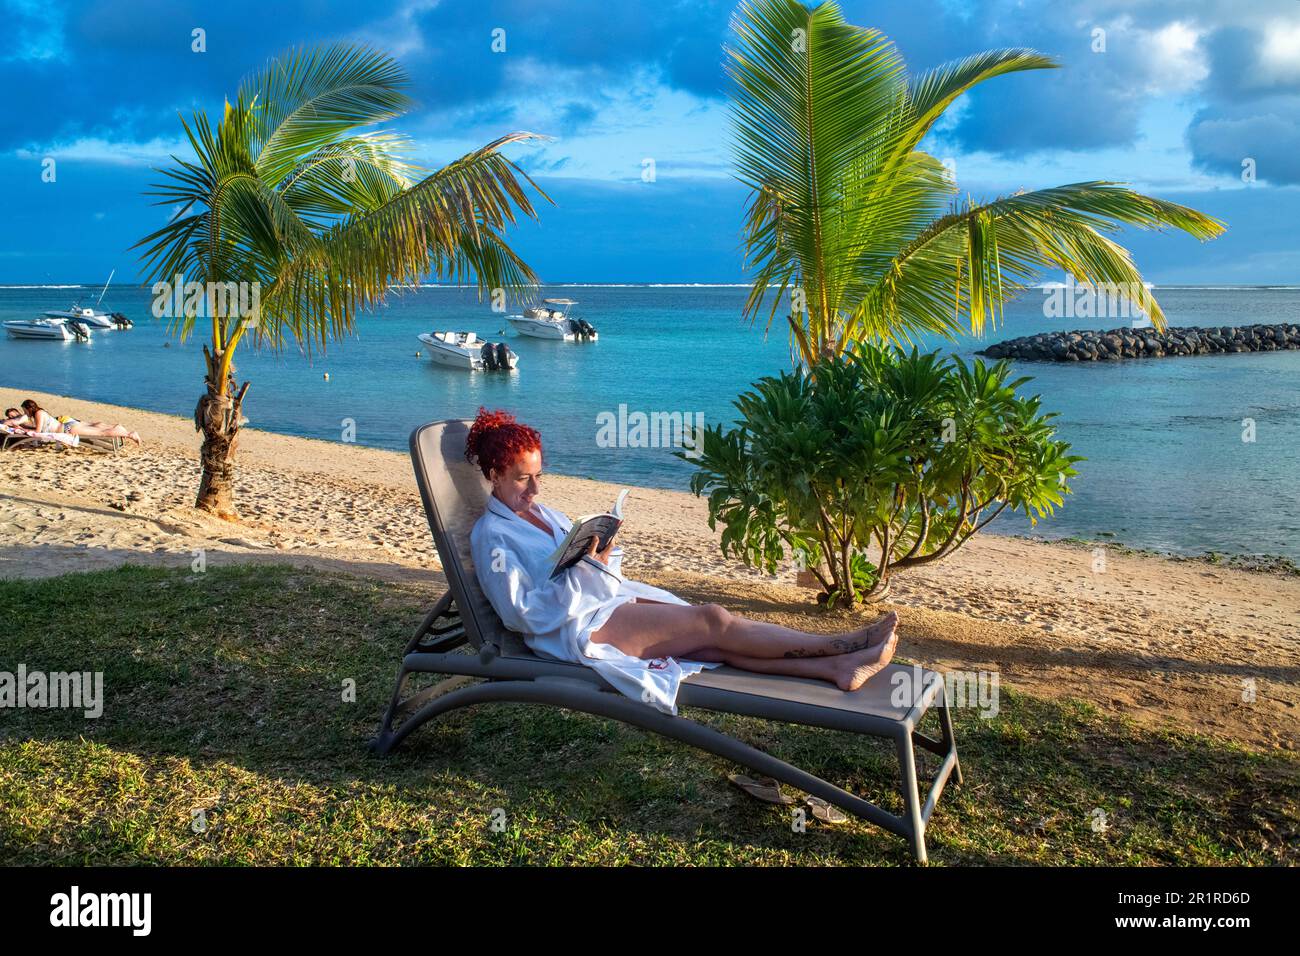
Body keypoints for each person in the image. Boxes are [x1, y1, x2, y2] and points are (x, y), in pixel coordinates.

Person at [466, 407, 898, 715]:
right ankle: (846, 643)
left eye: (540, 476)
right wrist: (584, 571)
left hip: (604, 604)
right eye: (524, 478)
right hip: (576, 628)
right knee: (713, 619)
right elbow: (520, 614)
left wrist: (599, 556)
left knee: (710, 643)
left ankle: (836, 668)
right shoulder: (493, 537)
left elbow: (574, 570)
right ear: (493, 475)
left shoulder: (543, 514)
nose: (536, 490)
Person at [19, 399, 142, 446]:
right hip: (67, 426)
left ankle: (130, 434)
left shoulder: (38, 414)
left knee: (100, 433)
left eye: (25, 410)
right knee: (97, 429)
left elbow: (38, 431)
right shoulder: (40, 412)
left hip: (68, 429)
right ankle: (119, 428)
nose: (24, 412)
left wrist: (25, 430)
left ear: (29, 408)